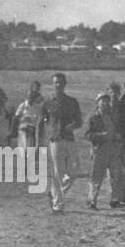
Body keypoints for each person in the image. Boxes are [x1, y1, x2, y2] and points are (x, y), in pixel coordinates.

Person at [39, 72, 82, 214]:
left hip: (69, 139)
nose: (58, 85)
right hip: (55, 140)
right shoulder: (47, 103)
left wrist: (73, 126)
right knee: (58, 173)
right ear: (53, 84)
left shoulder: (72, 102)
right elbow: (41, 122)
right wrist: (39, 141)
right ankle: (58, 206)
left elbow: (79, 122)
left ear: (65, 84)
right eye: (56, 82)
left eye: (61, 82)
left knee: (73, 173)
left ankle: (54, 193)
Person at [84, 92, 125, 209]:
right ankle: (92, 200)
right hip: (100, 149)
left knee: (115, 175)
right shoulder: (93, 118)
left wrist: (118, 136)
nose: (105, 104)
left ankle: (114, 200)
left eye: (107, 101)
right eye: (102, 101)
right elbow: (87, 135)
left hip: (113, 149)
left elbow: (119, 131)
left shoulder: (113, 117)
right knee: (97, 176)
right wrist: (101, 135)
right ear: (97, 103)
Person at [10, 81, 46, 149]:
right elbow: (16, 116)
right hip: (24, 126)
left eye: (38, 87)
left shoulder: (38, 104)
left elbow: (41, 115)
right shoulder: (23, 105)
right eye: (29, 97)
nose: (37, 89)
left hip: (33, 126)